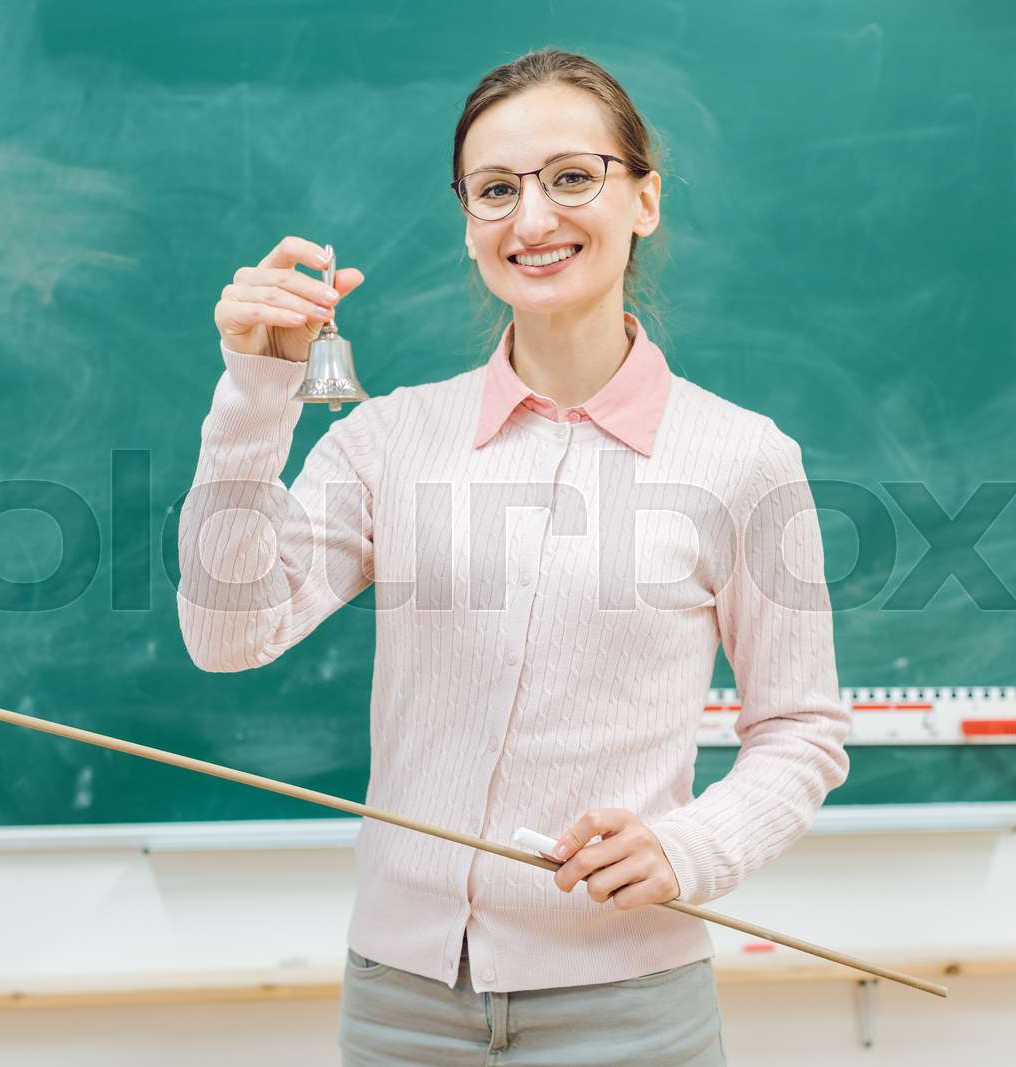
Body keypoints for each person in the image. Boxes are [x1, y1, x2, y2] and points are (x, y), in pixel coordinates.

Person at [181, 47, 850, 1067]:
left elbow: (801, 730)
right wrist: (254, 391)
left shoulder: (743, 459)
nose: (532, 219)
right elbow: (226, 634)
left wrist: (690, 847)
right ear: (468, 223)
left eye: (572, 177)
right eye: (496, 190)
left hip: (628, 1008)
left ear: (645, 200)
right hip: (402, 1008)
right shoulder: (388, 440)